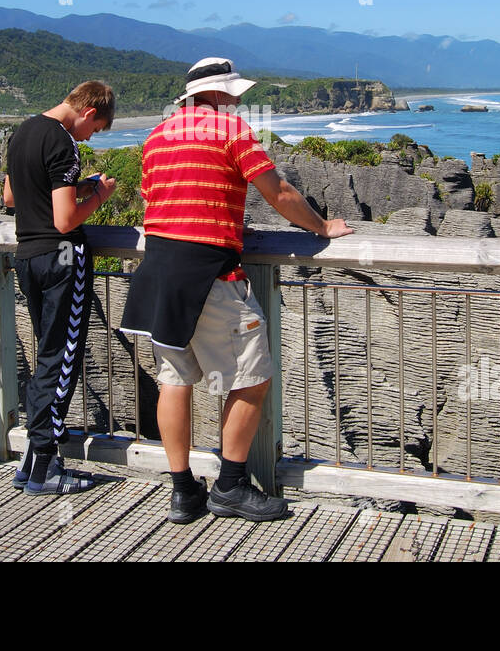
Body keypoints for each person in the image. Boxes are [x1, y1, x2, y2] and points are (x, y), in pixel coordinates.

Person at [120, 57, 352, 523]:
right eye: (234, 91)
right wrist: (323, 225)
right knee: (252, 377)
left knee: (174, 381)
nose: (240, 98)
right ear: (219, 94)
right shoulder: (230, 131)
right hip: (211, 273)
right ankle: (230, 485)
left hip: (159, 272)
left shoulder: (155, 137)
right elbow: (278, 192)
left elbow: (152, 200)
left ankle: (183, 492)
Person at [4, 80, 118, 494]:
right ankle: (46, 467)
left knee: (47, 354)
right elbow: (66, 221)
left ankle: (32, 460)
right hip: (63, 259)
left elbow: (11, 196)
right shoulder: (63, 141)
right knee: (62, 358)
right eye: (97, 128)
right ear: (89, 112)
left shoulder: (24, 131)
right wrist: (99, 195)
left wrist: (76, 185)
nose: (91, 136)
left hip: (28, 256)